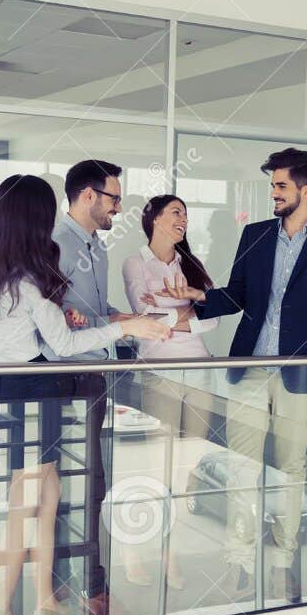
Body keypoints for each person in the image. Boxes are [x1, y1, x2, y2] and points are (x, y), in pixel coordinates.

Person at [152, 148, 307, 605]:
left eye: (280, 186)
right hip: (249, 367)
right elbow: (238, 295)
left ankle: (285, 560)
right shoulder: (256, 234)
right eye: (272, 186)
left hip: (299, 371)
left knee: (290, 466)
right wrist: (200, 296)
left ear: (306, 189)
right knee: (242, 465)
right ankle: (240, 559)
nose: (274, 194)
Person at [0, 174, 169, 615]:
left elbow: (16, 334)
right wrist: (126, 328)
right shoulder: (28, 283)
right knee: (28, 501)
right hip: (34, 391)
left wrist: (61, 316)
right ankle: (2, 602)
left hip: (4, 388)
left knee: (44, 493)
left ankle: (42, 599)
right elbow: (63, 344)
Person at [120, 194, 220, 589]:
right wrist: (187, 313)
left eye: (186, 214)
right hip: (160, 373)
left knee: (184, 468)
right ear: (155, 219)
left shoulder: (193, 265)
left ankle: (169, 552)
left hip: (200, 372)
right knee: (155, 466)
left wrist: (172, 315)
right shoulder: (135, 263)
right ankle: (132, 550)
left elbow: (213, 318)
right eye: (176, 212)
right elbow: (145, 318)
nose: (184, 219)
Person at [49, 159, 128, 615]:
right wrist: (109, 324)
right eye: (113, 198)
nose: (118, 207)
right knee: (66, 482)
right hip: (65, 378)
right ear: (88, 196)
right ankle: (83, 583)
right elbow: (55, 319)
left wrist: (119, 317)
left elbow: (89, 309)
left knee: (94, 481)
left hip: (95, 373)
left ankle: (83, 579)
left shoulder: (98, 246)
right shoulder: (55, 243)